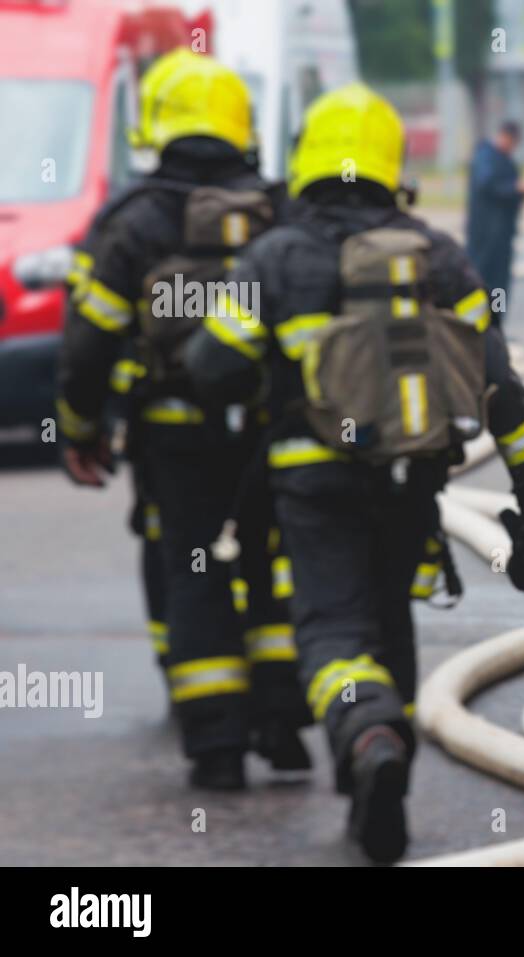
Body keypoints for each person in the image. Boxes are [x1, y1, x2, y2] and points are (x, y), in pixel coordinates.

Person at [184, 84, 524, 864]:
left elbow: (210, 369)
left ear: (308, 162)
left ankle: (367, 738)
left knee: (332, 629)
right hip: (409, 483)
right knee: (390, 622)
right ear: (392, 165)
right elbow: (503, 391)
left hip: (311, 483)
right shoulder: (438, 255)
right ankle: (380, 771)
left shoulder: (275, 255)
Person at [56, 49, 309, 791]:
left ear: (156, 126)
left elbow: (87, 339)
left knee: (193, 567)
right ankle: (285, 722)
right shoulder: (277, 207)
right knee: (270, 561)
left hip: (173, 434)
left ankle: (217, 743)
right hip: (269, 429)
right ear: (241, 123)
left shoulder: (131, 220)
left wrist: (79, 429)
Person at [466, 120, 524, 326]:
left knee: (499, 284)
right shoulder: (485, 156)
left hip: (502, 234)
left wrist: (521, 193)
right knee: (479, 279)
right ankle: (474, 325)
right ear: (506, 137)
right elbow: (488, 185)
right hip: (485, 234)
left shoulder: (504, 160)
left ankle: (496, 326)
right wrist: (516, 189)